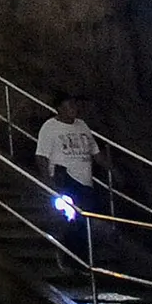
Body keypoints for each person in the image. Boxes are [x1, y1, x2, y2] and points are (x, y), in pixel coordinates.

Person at [34, 94, 102, 261]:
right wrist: (48, 181)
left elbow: (95, 151)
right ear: (59, 109)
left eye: (74, 105)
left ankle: (82, 259)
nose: (74, 109)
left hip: (85, 180)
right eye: (69, 106)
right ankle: (71, 258)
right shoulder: (50, 127)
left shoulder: (82, 125)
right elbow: (41, 155)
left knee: (84, 221)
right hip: (64, 178)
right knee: (71, 220)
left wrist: (113, 170)